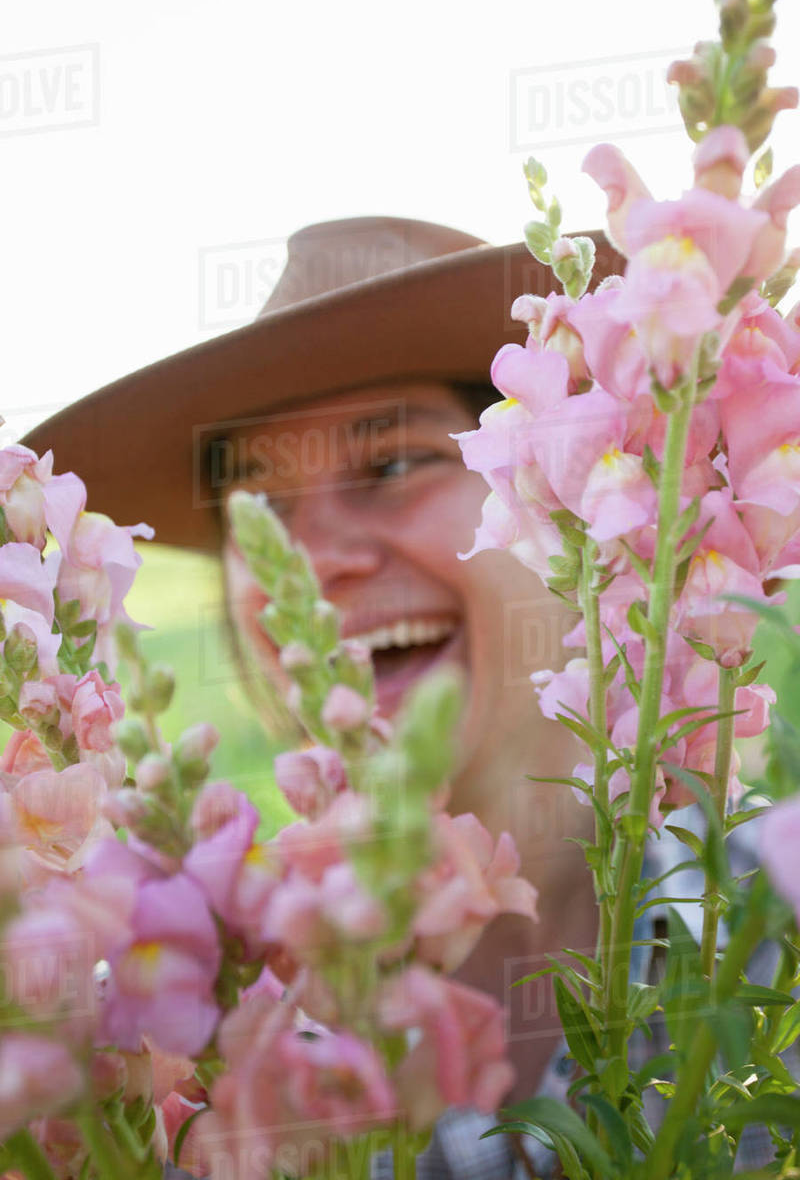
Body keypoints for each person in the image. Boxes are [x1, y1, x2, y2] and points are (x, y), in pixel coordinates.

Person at [25, 217, 668, 1178]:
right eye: (265, 506)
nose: (321, 560)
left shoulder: (763, 929)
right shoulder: (157, 1060)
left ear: (554, 489)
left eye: (394, 464)